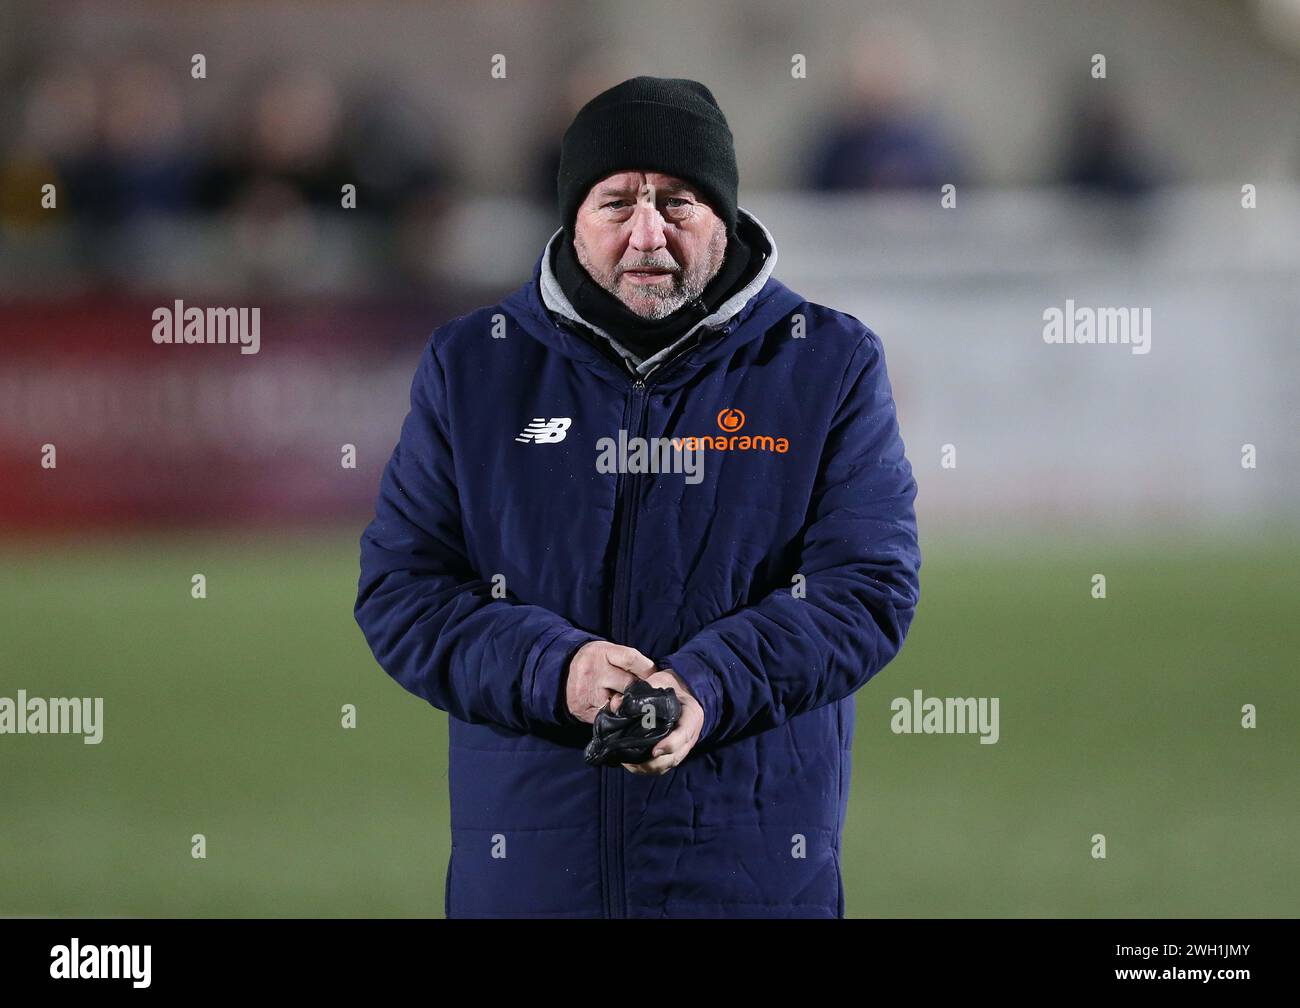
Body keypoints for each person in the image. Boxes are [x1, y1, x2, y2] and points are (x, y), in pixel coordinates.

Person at [354, 76, 921, 918]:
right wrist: (561, 672)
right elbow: (406, 593)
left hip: (751, 887)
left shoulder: (826, 363)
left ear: (723, 215)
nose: (648, 234)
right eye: (616, 202)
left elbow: (866, 590)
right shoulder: (475, 367)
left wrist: (706, 687)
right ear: (572, 216)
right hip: (529, 891)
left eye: (678, 202)